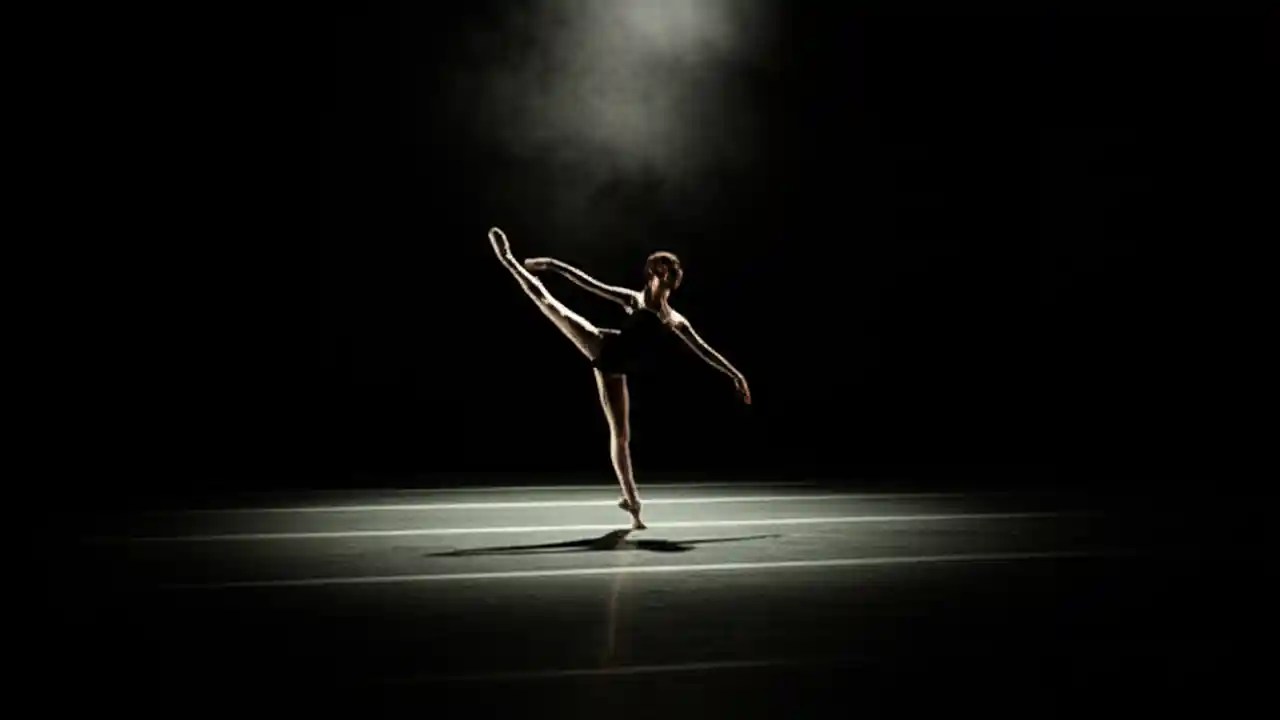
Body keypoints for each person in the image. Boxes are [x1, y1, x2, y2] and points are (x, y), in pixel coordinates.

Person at [488, 227, 750, 529]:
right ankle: (508, 260)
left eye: (677, 269)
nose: (675, 272)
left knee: (622, 436)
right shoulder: (635, 300)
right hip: (601, 344)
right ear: (654, 272)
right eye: (668, 268)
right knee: (549, 304)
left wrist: (736, 374)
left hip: (615, 370)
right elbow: (588, 283)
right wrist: (551, 265)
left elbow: (704, 350)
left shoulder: (675, 320)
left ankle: (632, 502)